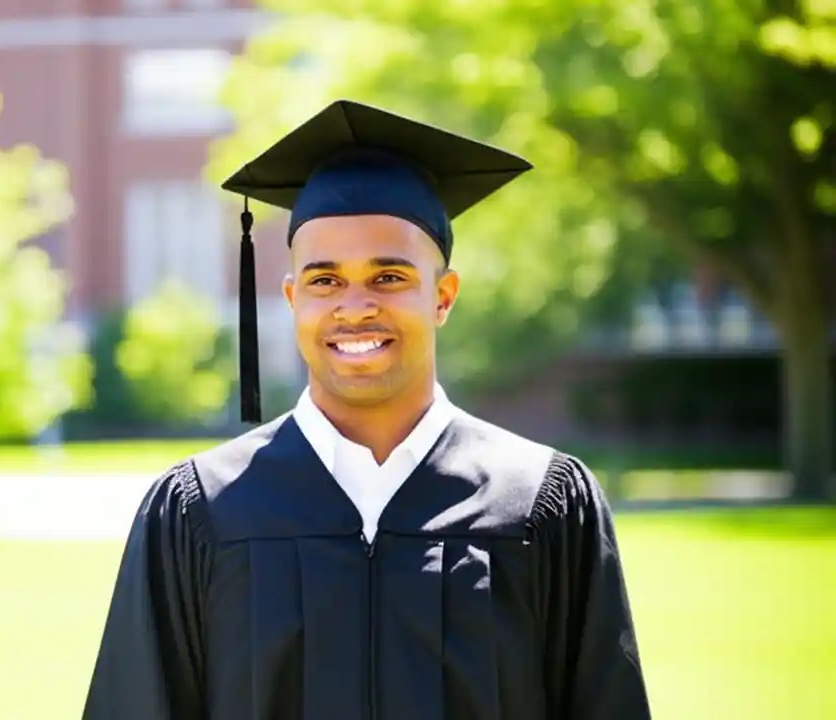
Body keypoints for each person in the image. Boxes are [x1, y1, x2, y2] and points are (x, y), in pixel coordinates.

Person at [82, 100, 650, 720]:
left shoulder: (541, 504)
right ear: (293, 298)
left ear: (443, 296)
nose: (354, 307)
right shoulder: (200, 512)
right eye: (325, 281)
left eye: (388, 277)